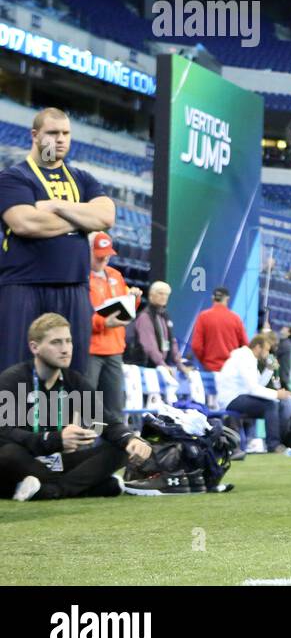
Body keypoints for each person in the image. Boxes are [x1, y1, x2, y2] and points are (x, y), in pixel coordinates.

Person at [0, 108, 115, 374]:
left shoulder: (83, 179)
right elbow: (25, 223)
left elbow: (106, 217)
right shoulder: (13, 177)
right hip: (24, 286)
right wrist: (82, 217)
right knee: (17, 371)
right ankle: (16, 418)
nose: (60, 139)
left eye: (65, 133)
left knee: (72, 373)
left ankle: (66, 419)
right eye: (52, 133)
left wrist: (53, 206)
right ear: (35, 135)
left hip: (74, 287)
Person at [0, 313, 152, 501]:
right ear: (34, 347)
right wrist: (54, 439)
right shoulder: (13, 379)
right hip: (22, 461)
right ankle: (90, 486)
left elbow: (103, 422)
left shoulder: (73, 381)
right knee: (7, 454)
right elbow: (4, 432)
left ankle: (52, 490)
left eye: (68, 341)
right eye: (56, 342)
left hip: (54, 463)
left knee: (122, 450)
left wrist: (131, 440)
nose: (65, 349)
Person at [86, 232, 141, 427]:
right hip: (90, 351)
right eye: (99, 254)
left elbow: (125, 311)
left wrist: (134, 299)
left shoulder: (116, 275)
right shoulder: (81, 278)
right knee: (87, 407)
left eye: (107, 254)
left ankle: (113, 454)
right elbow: (78, 315)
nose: (104, 258)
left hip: (114, 350)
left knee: (115, 408)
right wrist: (102, 323)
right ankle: (83, 453)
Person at [217, 332, 290, 453]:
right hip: (231, 399)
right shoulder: (245, 358)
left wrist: (269, 369)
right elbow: (253, 389)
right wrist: (276, 394)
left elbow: (258, 385)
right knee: (271, 404)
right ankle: (274, 444)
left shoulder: (249, 358)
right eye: (266, 350)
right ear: (257, 347)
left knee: (275, 403)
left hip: (239, 397)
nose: (267, 354)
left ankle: (277, 442)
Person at [190, 287, 249, 371]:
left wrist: (205, 361)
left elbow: (196, 346)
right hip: (231, 370)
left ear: (212, 298)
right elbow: (245, 346)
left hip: (209, 368)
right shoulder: (236, 319)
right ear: (227, 299)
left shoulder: (203, 317)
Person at [131, 281, 183, 370]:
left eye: (166, 294)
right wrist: (163, 365)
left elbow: (172, 341)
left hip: (160, 366)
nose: (164, 297)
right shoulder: (145, 316)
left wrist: (179, 362)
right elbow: (149, 346)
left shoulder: (165, 315)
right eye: (160, 293)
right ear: (151, 295)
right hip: (145, 367)